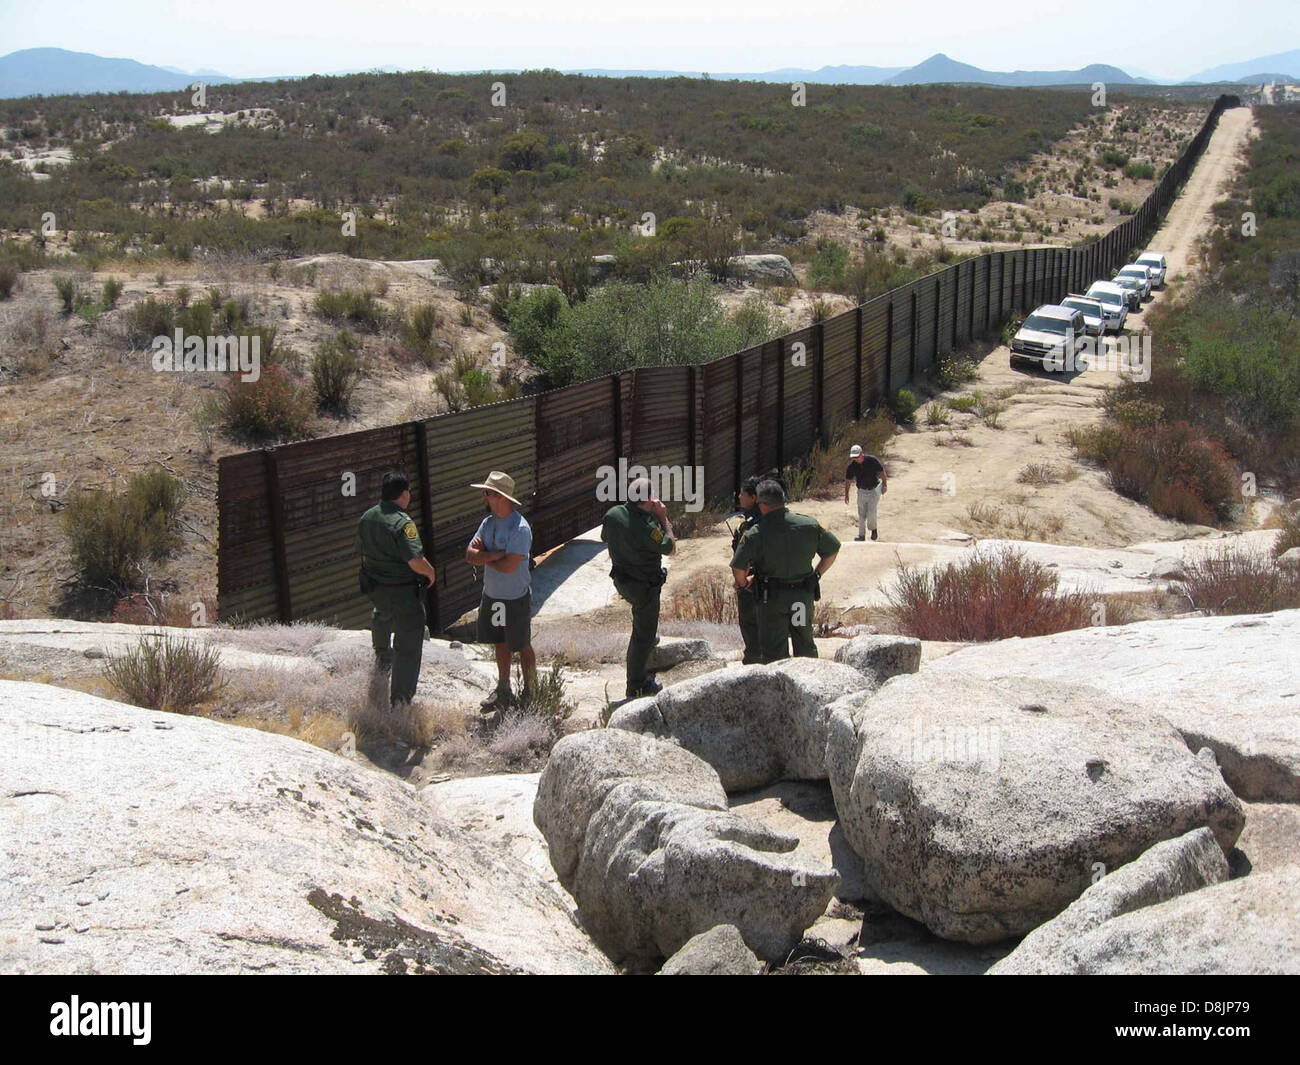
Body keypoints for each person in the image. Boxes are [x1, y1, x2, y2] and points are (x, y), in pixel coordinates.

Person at [731, 478, 840, 662]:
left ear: (762, 504)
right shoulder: (809, 524)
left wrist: (744, 584)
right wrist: (817, 575)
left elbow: (738, 567)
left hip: (772, 602)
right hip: (801, 598)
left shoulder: (756, 533)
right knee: (804, 646)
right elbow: (833, 549)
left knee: (774, 653)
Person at [356, 471, 436, 706]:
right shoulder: (403, 523)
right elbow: (414, 561)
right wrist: (430, 572)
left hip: (376, 588)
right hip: (402, 592)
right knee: (409, 643)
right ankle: (400, 700)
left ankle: (382, 657)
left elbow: (363, 550)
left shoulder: (367, 517)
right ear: (404, 494)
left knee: (381, 614)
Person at [465, 471, 536, 713]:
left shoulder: (520, 528)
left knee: (522, 644)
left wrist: (485, 557)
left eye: (488, 493)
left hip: (515, 598)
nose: (484, 497)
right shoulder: (488, 524)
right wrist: (495, 555)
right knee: (500, 642)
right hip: (493, 596)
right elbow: (469, 555)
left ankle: (531, 691)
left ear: (501, 496)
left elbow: (509, 567)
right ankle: (503, 688)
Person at [601, 476, 675, 699]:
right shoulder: (649, 526)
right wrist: (662, 517)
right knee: (642, 636)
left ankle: (648, 638)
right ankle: (637, 685)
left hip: (623, 583)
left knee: (643, 626)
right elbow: (671, 548)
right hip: (645, 588)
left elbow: (606, 536)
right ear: (650, 499)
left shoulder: (612, 515)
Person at [729, 475, 763, 664]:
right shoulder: (767, 517)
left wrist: (741, 581)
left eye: (742, 493)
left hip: (752, 582)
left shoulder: (751, 525)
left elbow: (744, 558)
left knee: (750, 624)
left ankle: (753, 659)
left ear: (754, 498)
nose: (739, 496)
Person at [844, 443, 888, 542]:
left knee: (871, 512)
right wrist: (846, 494)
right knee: (861, 514)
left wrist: (885, 485)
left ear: (861, 454)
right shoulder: (852, 466)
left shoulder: (872, 460)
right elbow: (848, 480)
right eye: (854, 457)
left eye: (857, 457)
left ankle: (873, 530)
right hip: (861, 491)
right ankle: (861, 535)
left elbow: (882, 471)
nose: (855, 459)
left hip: (873, 490)